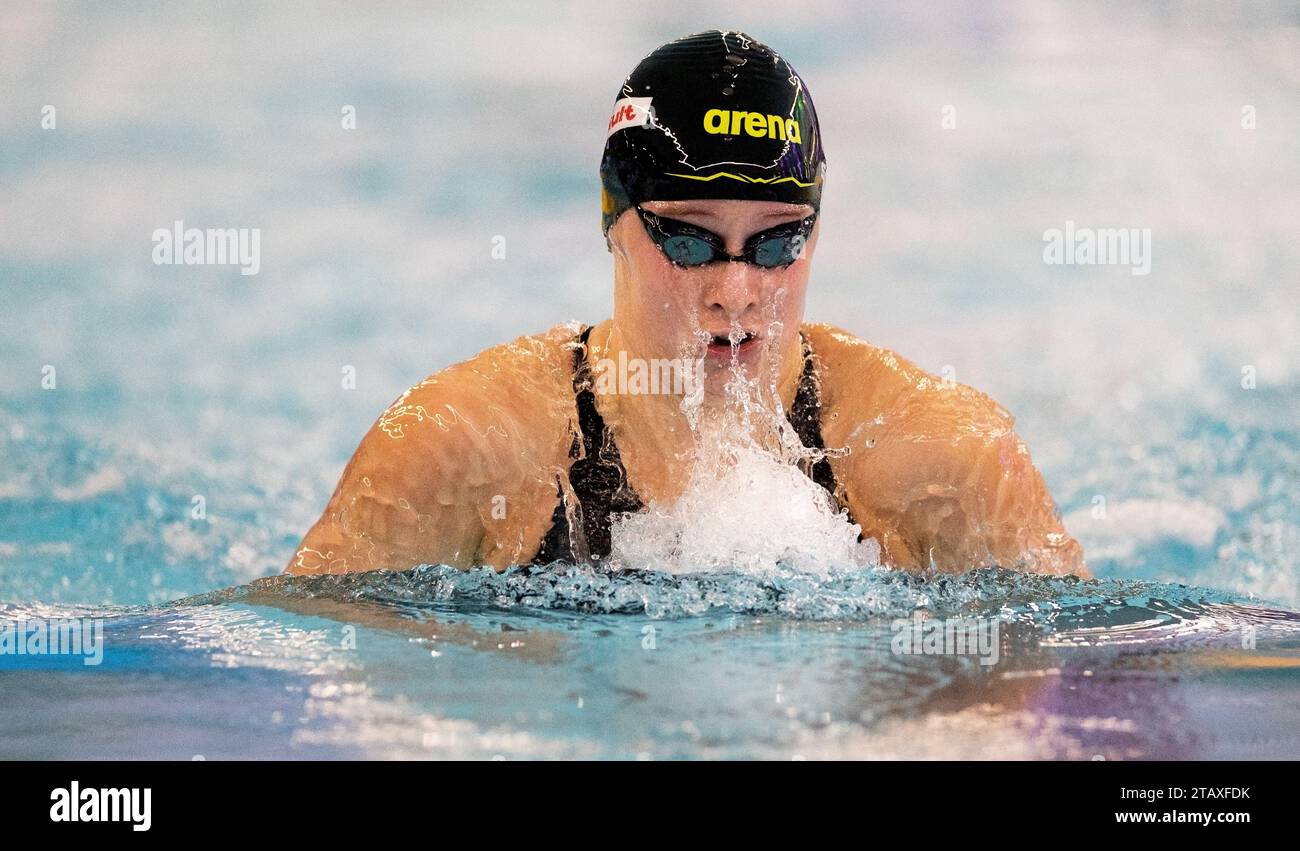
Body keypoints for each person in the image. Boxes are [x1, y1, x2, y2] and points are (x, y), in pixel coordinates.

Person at [287, 30, 1086, 578]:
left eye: (776, 243)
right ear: (613, 218)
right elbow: (287, 681)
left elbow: (1101, 688)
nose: (736, 292)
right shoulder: (458, 448)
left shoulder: (942, 458)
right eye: (690, 241)